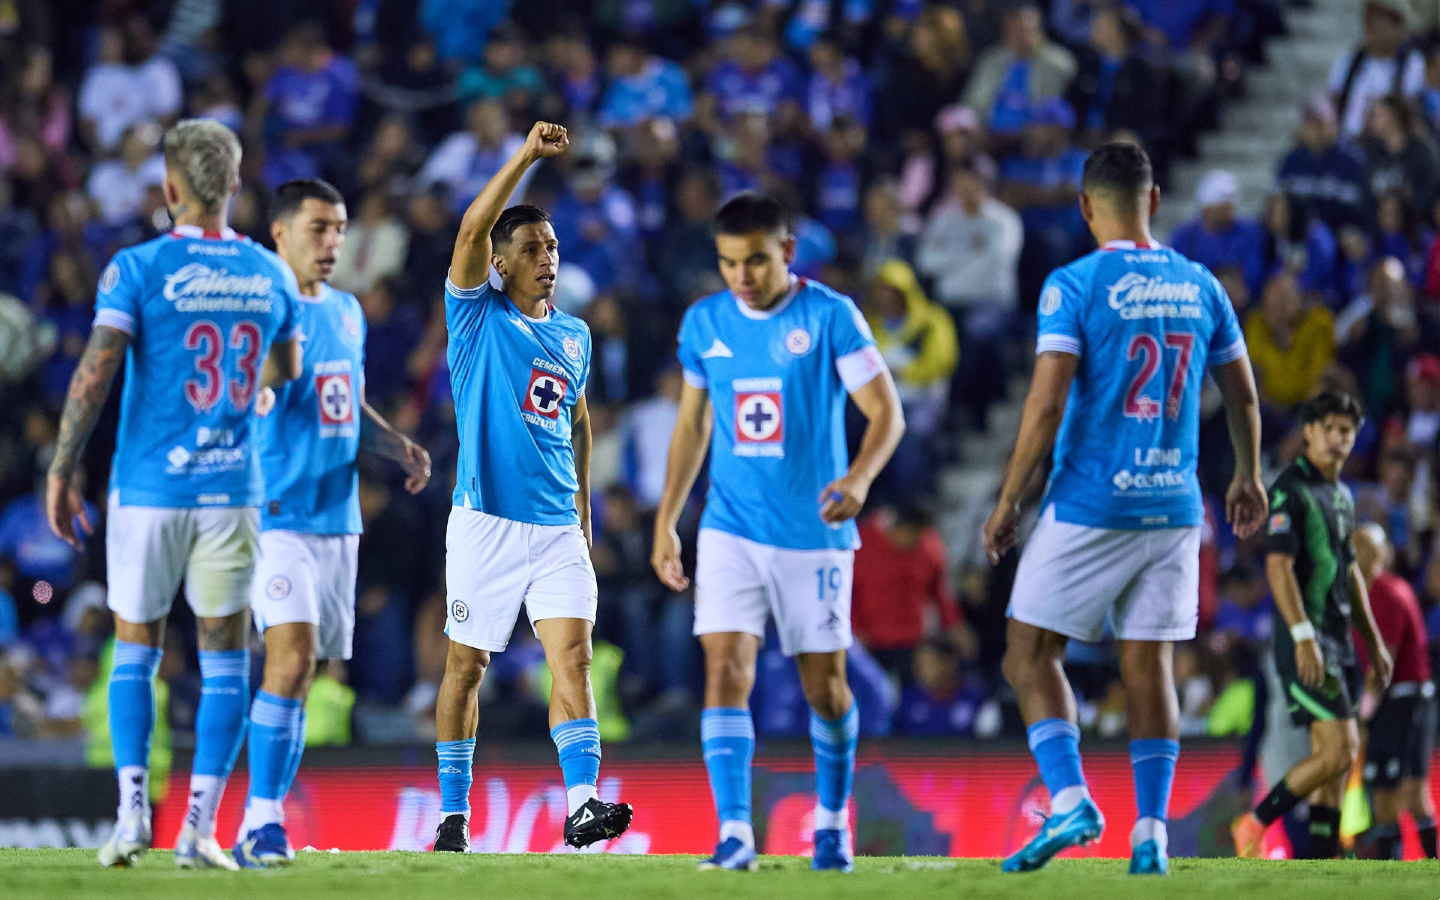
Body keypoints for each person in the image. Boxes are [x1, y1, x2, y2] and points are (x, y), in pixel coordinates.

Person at [982, 143, 1267, 875]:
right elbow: (1242, 392)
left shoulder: (1072, 284)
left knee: (1027, 653)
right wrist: (1248, 474)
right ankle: (1151, 836)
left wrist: (1011, 498)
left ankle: (1073, 799)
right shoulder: (1200, 283)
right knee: (1151, 665)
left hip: (1091, 500)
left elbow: (1046, 405)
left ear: (1085, 207)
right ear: (1156, 201)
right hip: (1174, 504)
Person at [44, 119, 303, 869]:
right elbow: (284, 371)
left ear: (169, 188)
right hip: (232, 491)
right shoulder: (269, 273)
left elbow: (95, 373)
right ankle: (199, 828)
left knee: (137, 649)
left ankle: (130, 820)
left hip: (150, 489)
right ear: (235, 185)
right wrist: (247, 397)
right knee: (226, 659)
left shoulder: (137, 268)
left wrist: (63, 467)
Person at [652, 192, 905, 873]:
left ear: (788, 253)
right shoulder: (704, 324)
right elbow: (693, 426)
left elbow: (886, 414)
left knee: (824, 685)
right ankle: (734, 832)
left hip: (812, 533)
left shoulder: (829, 317)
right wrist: (668, 519)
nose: (742, 276)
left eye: (756, 261)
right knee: (724, 670)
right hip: (729, 527)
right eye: (730, 262)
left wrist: (858, 479)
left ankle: (832, 821)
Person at [430, 121, 633, 854]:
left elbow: (578, 423)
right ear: (500, 264)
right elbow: (471, 224)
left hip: (556, 530)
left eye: (552, 247)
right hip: (484, 520)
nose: (547, 258)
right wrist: (523, 157)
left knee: (572, 658)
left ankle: (582, 805)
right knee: (467, 664)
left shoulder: (575, 335)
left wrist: (582, 515)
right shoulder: (474, 317)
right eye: (531, 249)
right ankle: (454, 817)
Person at [231, 179, 431, 867]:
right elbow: (243, 394)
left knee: (306, 670)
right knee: (286, 660)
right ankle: (263, 819)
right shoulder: (261, 313)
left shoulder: (347, 311)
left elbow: (347, 406)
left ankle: (262, 821)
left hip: (337, 520)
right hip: (276, 516)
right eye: (318, 228)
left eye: (340, 229)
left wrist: (393, 444)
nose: (333, 243)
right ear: (279, 234)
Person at [1232, 392, 1394, 859]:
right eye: (1331, 429)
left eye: (1347, 431)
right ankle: (1255, 821)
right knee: (1340, 751)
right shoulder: (1291, 489)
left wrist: (1374, 643)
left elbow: (1349, 573)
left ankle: (1323, 861)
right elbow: (1278, 567)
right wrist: (1303, 635)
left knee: (1337, 766)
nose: (1339, 439)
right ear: (1309, 432)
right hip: (1308, 641)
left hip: (1339, 641)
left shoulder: (1342, 496)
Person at [1352, 523, 1436, 860]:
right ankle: (1395, 877)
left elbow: (1382, 664)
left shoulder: (1386, 592)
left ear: (1381, 556)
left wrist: (1362, 714)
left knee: (1412, 793)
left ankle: (1433, 872)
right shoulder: (1360, 595)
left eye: (1365, 550)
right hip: (1389, 701)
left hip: (1405, 699)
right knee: (1383, 795)